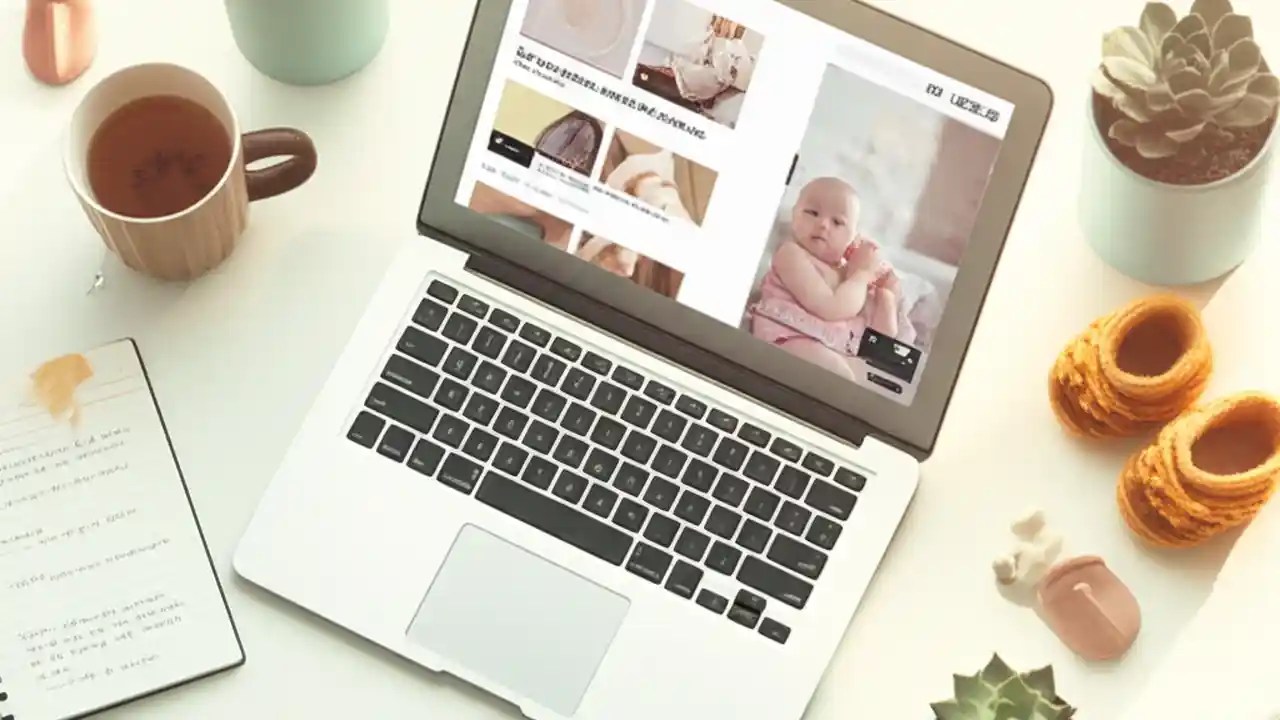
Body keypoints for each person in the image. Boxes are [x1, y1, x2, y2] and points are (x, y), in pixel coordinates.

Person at [749, 176, 900, 380]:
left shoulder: (848, 277)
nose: (822, 224)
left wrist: (885, 296)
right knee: (839, 375)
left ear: (852, 238)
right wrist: (862, 276)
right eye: (812, 213)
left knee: (866, 377)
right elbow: (830, 308)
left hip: (829, 348)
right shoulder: (791, 254)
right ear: (794, 216)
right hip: (789, 338)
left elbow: (882, 342)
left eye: (837, 222)